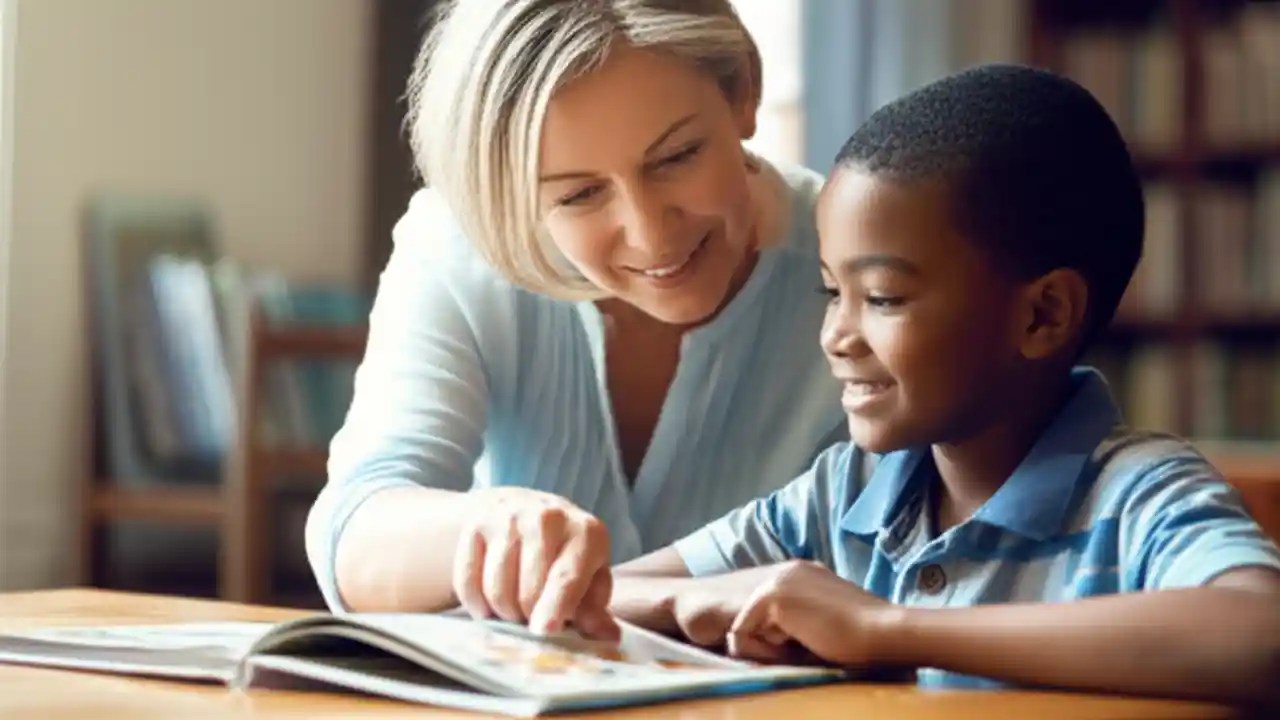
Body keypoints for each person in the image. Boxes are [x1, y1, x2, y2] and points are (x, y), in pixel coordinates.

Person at [604, 65, 1280, 703]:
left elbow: (1259, 634)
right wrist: (720, 595)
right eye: (832, 291)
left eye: (885, 297)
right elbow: (604, 593)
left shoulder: (1139, 494)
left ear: (1043, 315)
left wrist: (885, 628)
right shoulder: (846, 490)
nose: (836, 335)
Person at [304, 0, 845, 637]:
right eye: (580, 194)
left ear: (743, 94)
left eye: (676, 158)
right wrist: (485, 526)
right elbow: (354, 532)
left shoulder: (862, 265)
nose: (649, 236)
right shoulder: (457, 247)